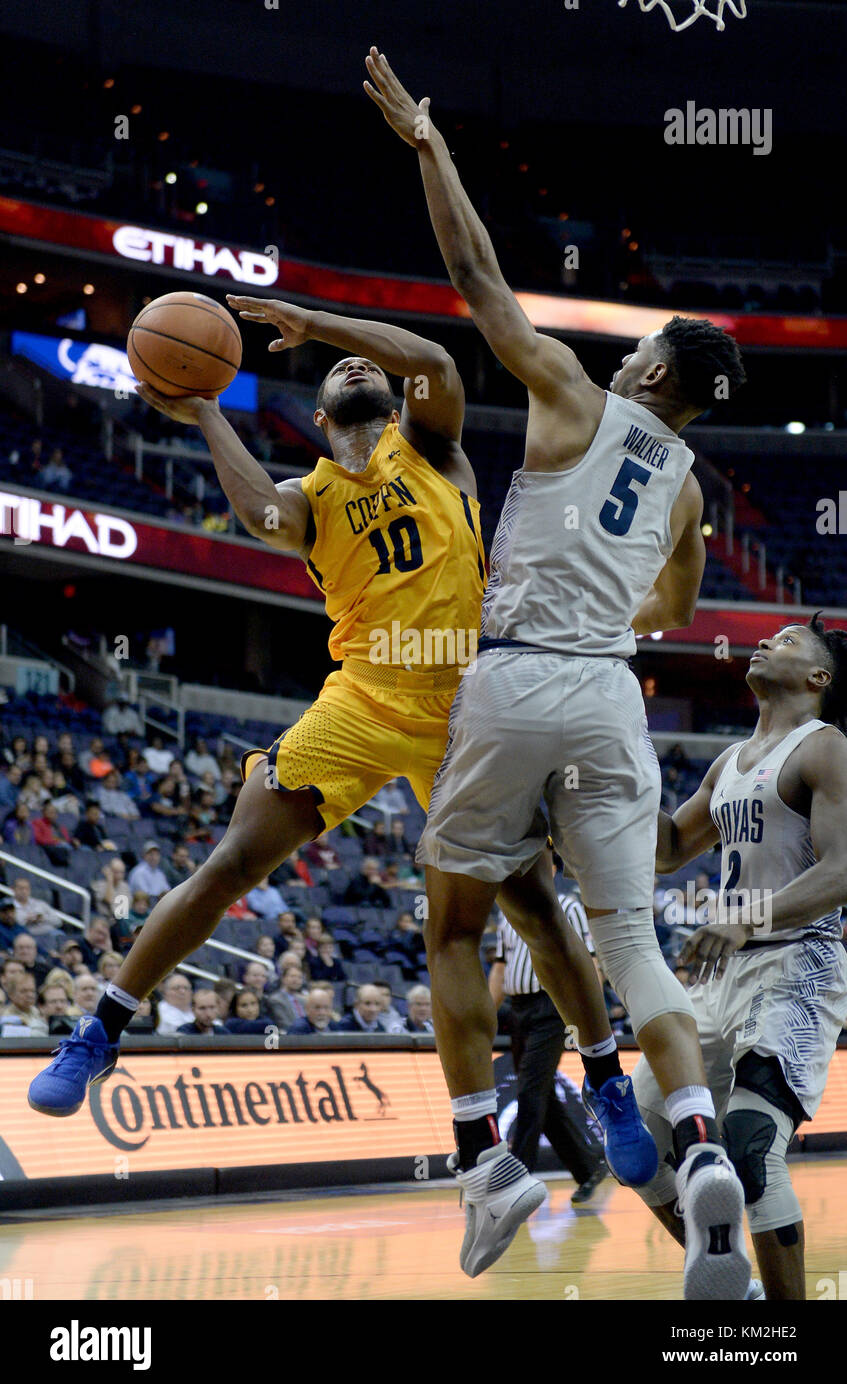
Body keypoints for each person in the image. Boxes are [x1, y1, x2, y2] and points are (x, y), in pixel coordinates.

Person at [28, 267, 643, 1234]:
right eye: (337, 373)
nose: (359, 367)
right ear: (318, 421)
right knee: (233, 860)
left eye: (370, 367)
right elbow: (254, 517)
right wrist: (202, 415)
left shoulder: (435, 452)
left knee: (528, 899)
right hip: (359, 701)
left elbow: (436, 356)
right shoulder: (307, 497)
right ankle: (100, 1028)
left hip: (464, 710)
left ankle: (604, 1072)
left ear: (393, 403)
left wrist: (316, 323)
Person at [365, 49, 749, 1291]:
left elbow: (474, 278)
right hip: (606, 695)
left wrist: (432, 147)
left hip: (520, 674)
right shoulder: (688, 482)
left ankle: (486, 1163)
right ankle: (697, 1148)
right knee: (631, 936)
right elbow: (679, 605)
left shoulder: (577, 394)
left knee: (456, 921)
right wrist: (607, 598)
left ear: (645, 371)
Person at [633, 616, 847, 1301]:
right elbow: (668, 848)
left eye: (786, 641)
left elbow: (843, 871)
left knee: (751, 1145)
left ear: (818, 679)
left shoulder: (826, 748)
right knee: (639, 1142)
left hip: (795, 963)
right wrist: (607, 786)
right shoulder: (729, 760)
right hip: (718, 974)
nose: (765, 642)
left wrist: (743, 919)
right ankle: (733, 1286)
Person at [490, 913, 608, 1207]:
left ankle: (516, 1181)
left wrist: (589, 1009)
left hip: (554, 1004)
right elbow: (499, 969)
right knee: (541, 1094)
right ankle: (588, 1168)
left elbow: (590, 960)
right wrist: (487, 1017)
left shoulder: (567, 906)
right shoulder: (507, 916)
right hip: (518, 1009)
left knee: (530, 1090)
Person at [266, 962, 307, 1031]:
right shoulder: (275, 1000)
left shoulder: (303, 1000)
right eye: (292, 976)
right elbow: (284, 1024)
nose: (296, 980)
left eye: (299, 977)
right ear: (283, 979)